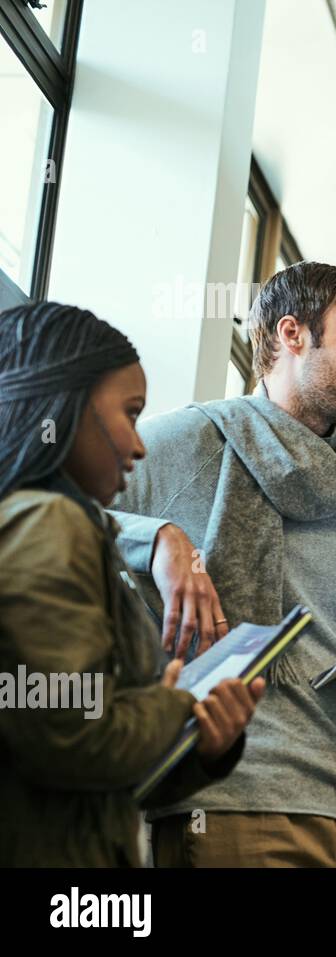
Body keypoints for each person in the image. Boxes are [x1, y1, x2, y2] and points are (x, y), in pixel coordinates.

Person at [110, 262, 336, 866]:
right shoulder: (187, 444)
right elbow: (43, 514)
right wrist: (156, 541)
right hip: (228, 797)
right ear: (292, 334)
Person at [0, 301, 262, 867]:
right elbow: (71, 733)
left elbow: (101, 775)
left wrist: (204, 747)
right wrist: (171, 704)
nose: (139, 446)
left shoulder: (61, 526)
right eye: (130, 413)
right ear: (64, 406)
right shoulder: (51, 523)